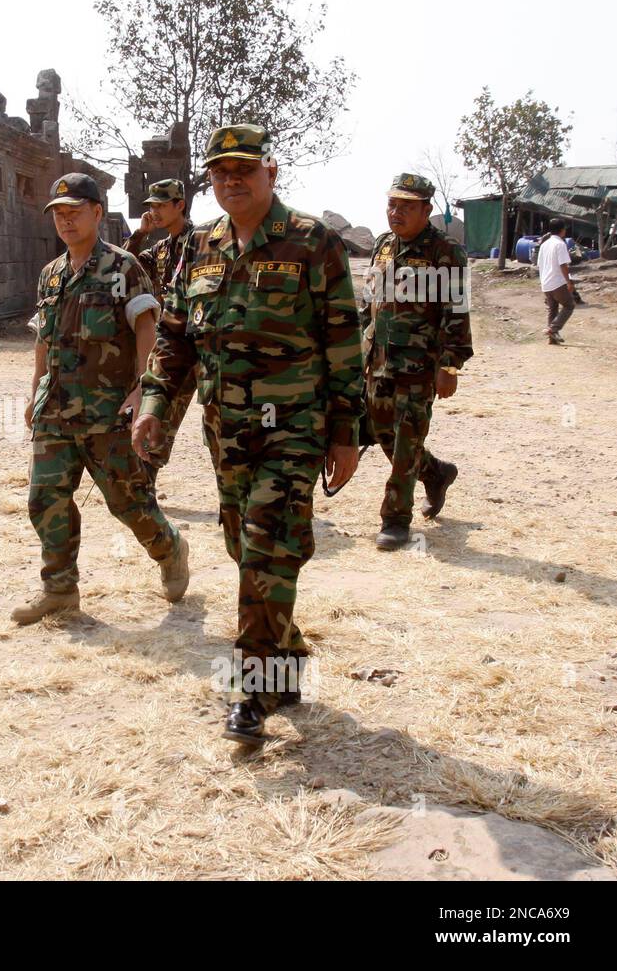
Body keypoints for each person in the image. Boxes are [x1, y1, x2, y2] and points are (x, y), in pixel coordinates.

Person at [132, 125, 363, 744]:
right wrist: (154, 400)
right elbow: (176, 334)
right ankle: (284, 655)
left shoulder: (314, 243)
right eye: (220, 171)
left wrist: (346, 434)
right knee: (246, 546)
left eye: (244, 169)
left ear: (271, 173)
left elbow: (344, 344)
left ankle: (251, 688)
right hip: (225, 430)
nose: (231, 180)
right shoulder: (201, 247)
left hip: (293, 428)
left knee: (264, 545)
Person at [13, 173, 189, 625]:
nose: (66, 221)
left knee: (128, 503)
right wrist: (35, 390)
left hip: (108, 410)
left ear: (96, 212)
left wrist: (142, 388)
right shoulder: (50, 274)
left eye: (75, 212)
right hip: (56, 408)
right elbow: (42, 341)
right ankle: (59, 590)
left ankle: (170, 549)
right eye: (59, 214)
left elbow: (146, 327)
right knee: (44, 497)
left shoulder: (124, 267)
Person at [361, 173, 473, 549]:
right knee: (382, 434)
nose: (396, 212)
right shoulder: (382, 246)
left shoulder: (445, 251)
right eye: (392, 204)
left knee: (407, 439)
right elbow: (369, 306)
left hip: (420, 365)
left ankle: (395, 519)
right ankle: (437, 473)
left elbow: (458, 311)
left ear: (426, 210)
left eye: (406, 207)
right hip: (378, 361)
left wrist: (450, 365)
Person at [123, 179, 197, 492]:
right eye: (151, 206)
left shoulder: (204, 242)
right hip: (175, 346)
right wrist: (140, 234)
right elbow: (127, 266)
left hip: (204, 342)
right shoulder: (163, 248)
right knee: (161, 408)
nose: (154, 211)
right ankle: (144, 482)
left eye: (160, 205)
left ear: (180, 205)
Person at [539, 218, 575, 345]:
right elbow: (563, 265)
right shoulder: (560, 244)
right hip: (557, 282)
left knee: (552, 309)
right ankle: (553, 329)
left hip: (546, 282)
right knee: (569, 305)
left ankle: (552, 339)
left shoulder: (544, 244)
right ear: (562, 230)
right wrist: (569, 282)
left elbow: (540, 264)